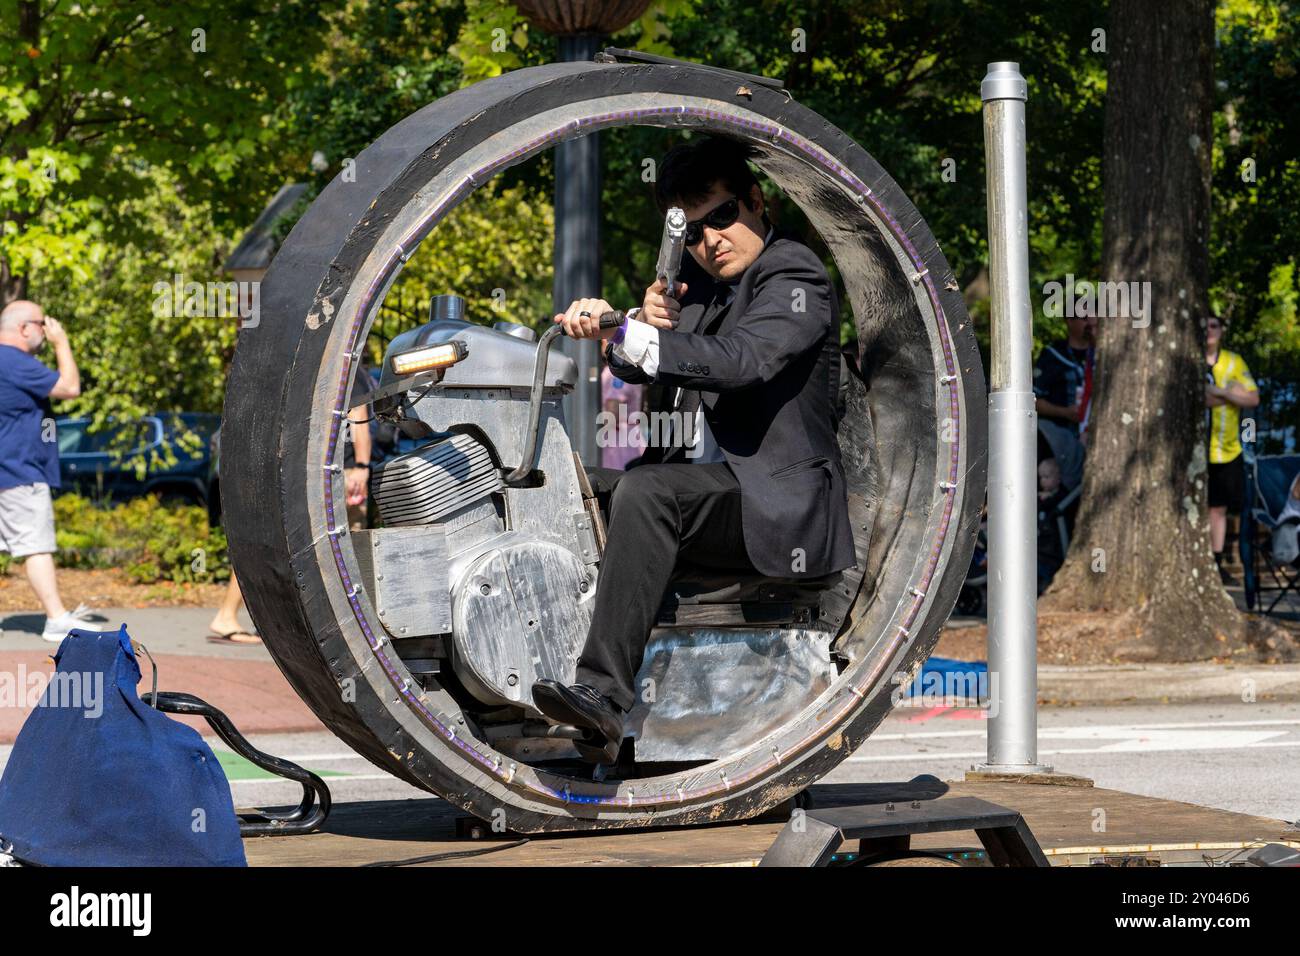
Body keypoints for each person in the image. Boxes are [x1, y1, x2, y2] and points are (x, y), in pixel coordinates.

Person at [529, 136, 854, 763]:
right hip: (710, 497)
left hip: (775, 508)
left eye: (722, 216)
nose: (712, 239)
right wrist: (631, 326)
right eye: (694, 231)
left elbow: (740, 361)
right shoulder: (699, 294)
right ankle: (522, 678)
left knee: (648, 492)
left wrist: (629, 328)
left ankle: (602, 697)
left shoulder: (794, 275)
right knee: (568, 485)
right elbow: (640, 370)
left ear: (757, 201)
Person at [0, 300, 99, 642]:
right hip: (19, 471)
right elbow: (70, 387)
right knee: (36, 546)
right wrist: (62, 343)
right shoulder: (15, 362)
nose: (46, 330)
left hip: (8, 470)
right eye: (42, 324)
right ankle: (57, 619)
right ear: (24, 328)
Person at [1204, 314, 1259, 584]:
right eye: (1204, 326)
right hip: (1196, 450)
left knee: (1219, 508)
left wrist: (1221, 393)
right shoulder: (1189, 359)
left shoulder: (1234, 361)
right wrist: (1228, 393)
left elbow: (1252, 397)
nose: (1209, 331)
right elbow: (1199, 399)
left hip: (1226, 448)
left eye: (1214, 326)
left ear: (1222, 330)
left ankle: (1215, 562)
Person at [1033, 307, 1094, 490]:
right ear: (1069, 321)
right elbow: (1034, 401)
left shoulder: (1102, 352)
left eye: (1093, 318)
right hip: (1060, 443)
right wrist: (1065, 413)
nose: (1089, 324)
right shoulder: (1052, 355)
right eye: (1083, 318)